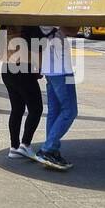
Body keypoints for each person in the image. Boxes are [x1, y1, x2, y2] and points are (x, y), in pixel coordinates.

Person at [36, 24, 78, 171]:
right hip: (61, 70)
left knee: (55, 111)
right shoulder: (52, 13)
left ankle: (52, 150)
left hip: (51, 69)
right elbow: (72, 30)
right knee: (70, 111)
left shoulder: (43, 11)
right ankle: (47, 149)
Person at [0, 24, 43, 160]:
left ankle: (14, 147)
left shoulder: (5, 25)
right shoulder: (32, 26)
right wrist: (38, 70)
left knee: (17, 109)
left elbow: (0, 54)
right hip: (23, 68)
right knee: (36, 109)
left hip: (6, 69)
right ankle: (25, 145)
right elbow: (38, 52)